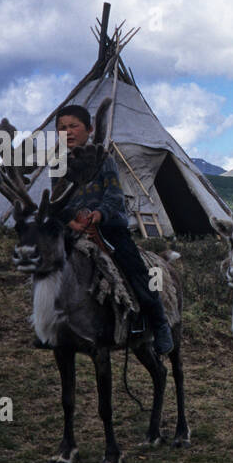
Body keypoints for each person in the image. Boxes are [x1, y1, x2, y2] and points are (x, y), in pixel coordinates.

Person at [53, 105, 174, 355]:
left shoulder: (105, 160)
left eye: (74, 126)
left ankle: (159, 323)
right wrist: (71, 221)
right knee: (45, 266)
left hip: (107, 229)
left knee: (137, 270)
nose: (68, 132)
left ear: (89, 129)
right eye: (62, 128)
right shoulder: (59, 166)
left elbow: (115, 195)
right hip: (73, 230)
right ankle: (50, 325)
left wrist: (99, 214)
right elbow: (57, 202)